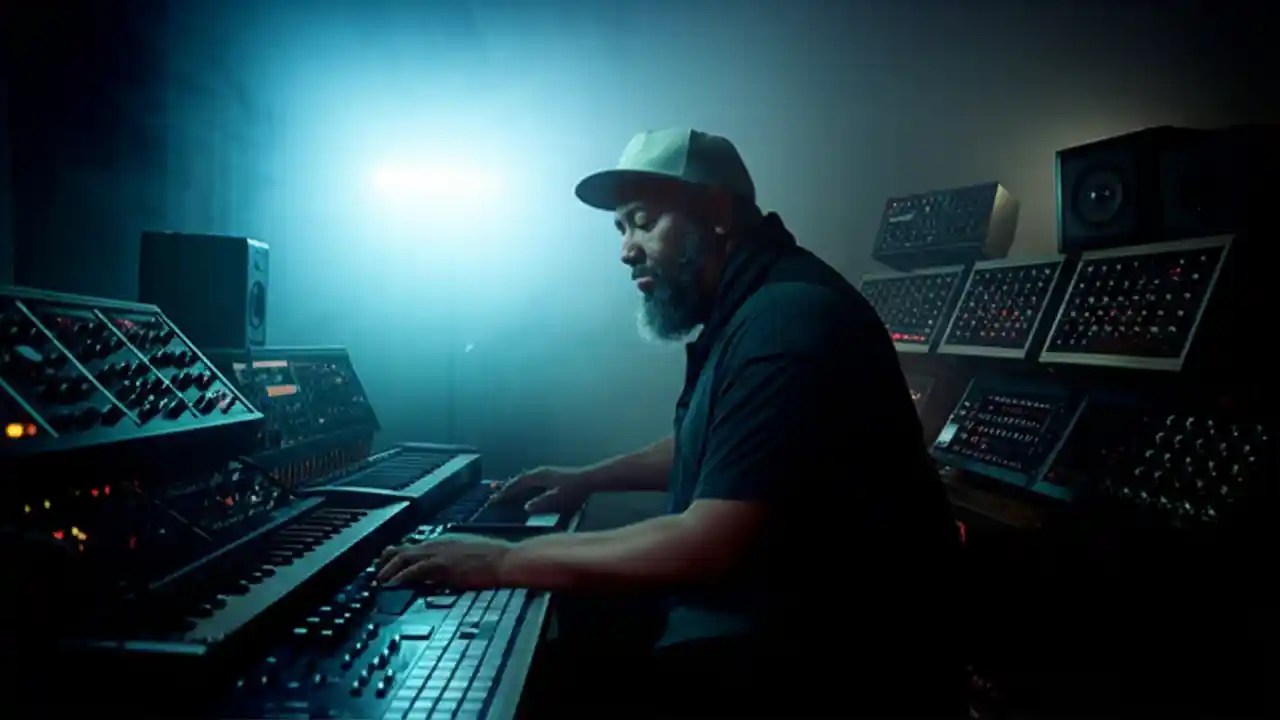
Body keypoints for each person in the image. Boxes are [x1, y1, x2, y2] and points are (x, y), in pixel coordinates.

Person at [376, 128, 967, 717]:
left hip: (819, 665)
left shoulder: (785, 322)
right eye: (621, 228)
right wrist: (589, 477)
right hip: (771, 628)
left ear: (715, 212)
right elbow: (723, 446)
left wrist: (501, 561)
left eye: (642, 221)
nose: (626, 250)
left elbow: (709, 542)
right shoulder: (756, 304)